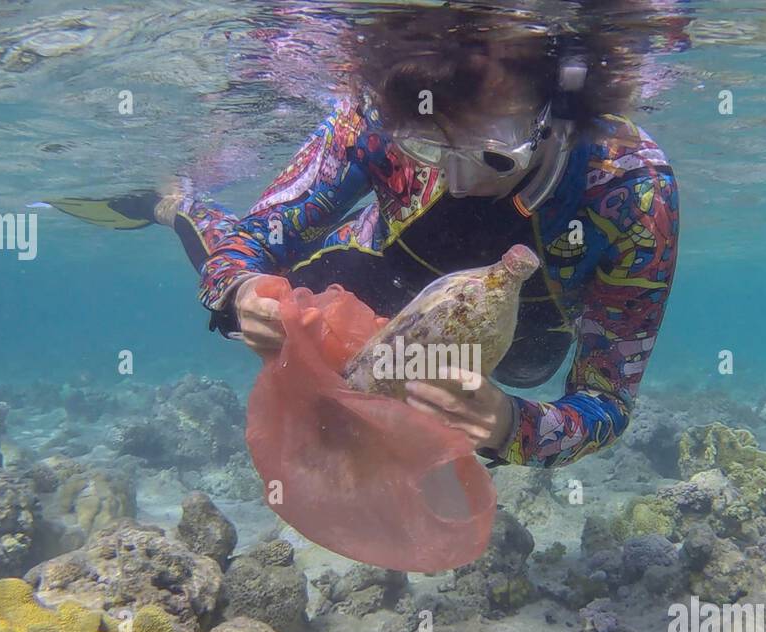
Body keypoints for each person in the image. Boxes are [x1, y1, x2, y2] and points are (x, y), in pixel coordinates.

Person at [53, 9, 679, 468]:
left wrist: (515, 423)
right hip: (370, 282)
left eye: (490, 155)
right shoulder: (375, 117)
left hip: (526, 350)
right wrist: (240, 290)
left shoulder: (632, 192)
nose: (456, 181)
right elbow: (249, 245)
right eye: (427, 146)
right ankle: (177, 203)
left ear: (559, 117)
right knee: (264, 277)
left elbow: (607, 400)